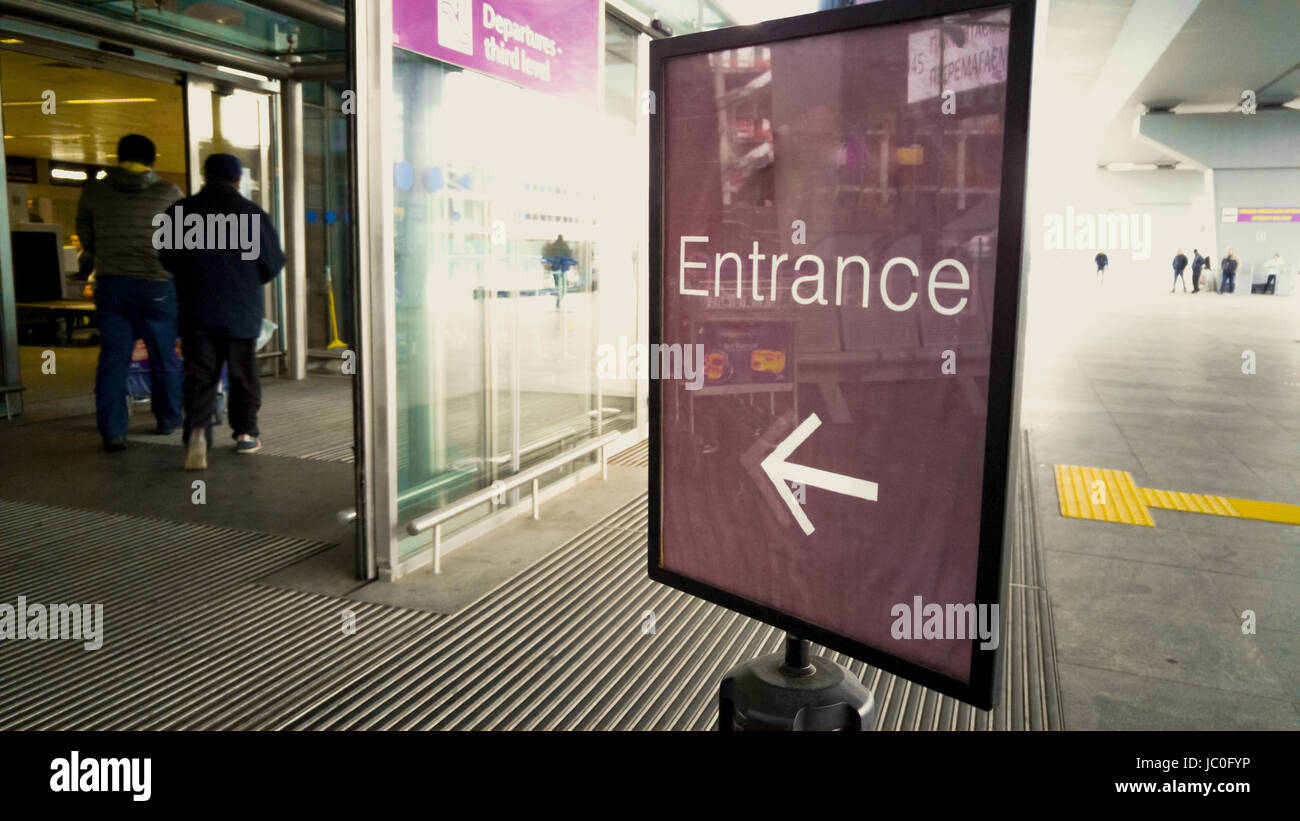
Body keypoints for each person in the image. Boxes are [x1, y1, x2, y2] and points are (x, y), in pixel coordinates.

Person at [159, 154, 285, 470]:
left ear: (205, 176)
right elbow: (273, 263)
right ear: (237, 179)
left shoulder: (180, 212)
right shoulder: (253, 215)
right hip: (240, 311)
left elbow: (166, 259)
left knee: (200, 375)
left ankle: (198, 432)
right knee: (243, 374)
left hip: (197, 310)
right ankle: (245, 433)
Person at [75, 134, 184, 452]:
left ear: (118, 157)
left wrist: (109, 258)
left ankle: (113, 431)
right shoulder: (168, 192)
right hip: (157, 285)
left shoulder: (94, 193)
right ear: (152, 160)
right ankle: (167, 420)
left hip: (112, 285)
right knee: (163, 356)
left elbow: (87, 238)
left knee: (113, 359)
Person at [542, 234, 576, 309]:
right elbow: (569, 255)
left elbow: (549, 255)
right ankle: (559, 298)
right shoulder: (565, 245)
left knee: (557, 284)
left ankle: (558, 298)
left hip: (555, 268)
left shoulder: (553, 245)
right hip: (562, 268)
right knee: (563, 285)